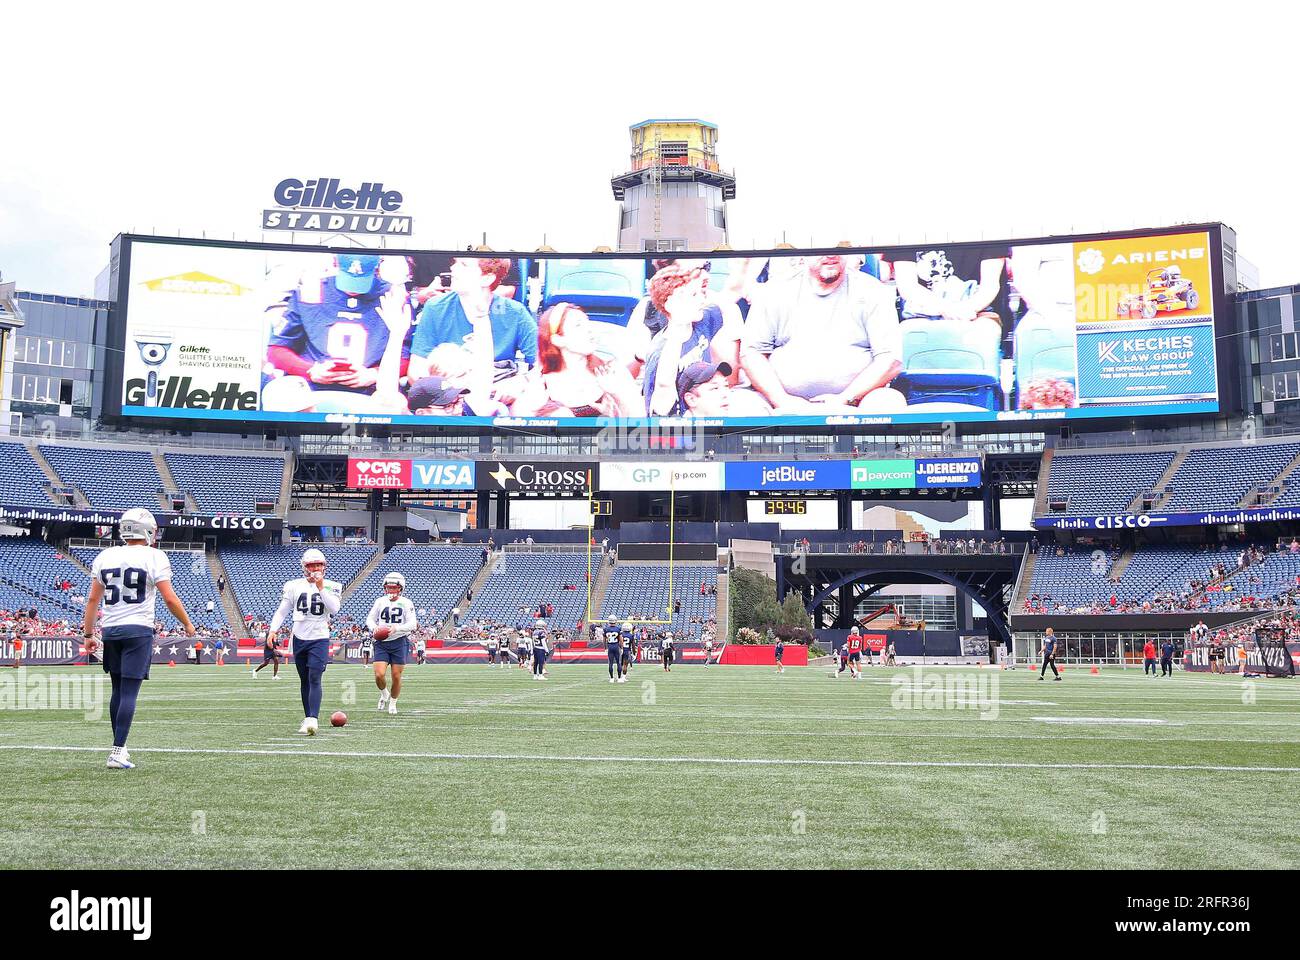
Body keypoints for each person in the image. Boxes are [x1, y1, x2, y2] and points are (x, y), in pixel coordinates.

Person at [82, 508, 196, 770]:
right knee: (130, 691)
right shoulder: (155, 556)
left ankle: (119, 746)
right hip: (138, 629)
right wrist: (187, 623)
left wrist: (88, 633)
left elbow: (92, 600)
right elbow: (169, 597)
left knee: (117, 690)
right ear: (147, 530)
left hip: (110, 629)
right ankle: (118, 750)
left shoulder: (105, 555)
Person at [740, 254, 905, 412]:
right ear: (804, 254)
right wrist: (782, 400)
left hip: (859, 400)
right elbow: (752, 354)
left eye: (838, 249)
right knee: (743, 405)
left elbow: (890, 360)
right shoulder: (774, 291)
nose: (831, 256)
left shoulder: (873, 291)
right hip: (779, 402)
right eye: (822, 249)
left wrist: (845, 398)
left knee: (889, 402)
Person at [264, 253, 414, 401]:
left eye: (361, 281)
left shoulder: (394, 296)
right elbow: (276, 350)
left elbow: (407, 356)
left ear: (378, 267)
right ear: (335, 263)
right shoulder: (310, 290)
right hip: (310, 391)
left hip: (369, 392)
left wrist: (374, 374)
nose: (353, 290)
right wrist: (310, 370)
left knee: (394, 401)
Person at [409, 257, 538, 396]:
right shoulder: (435, 307)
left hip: (496, 392)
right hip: (446, 395)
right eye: (455, 263)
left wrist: (519, 383)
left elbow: (543, 365)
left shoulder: (515, 312)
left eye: (463, 265)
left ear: (487, 278)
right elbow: (416, 372)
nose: (453, 268)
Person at [639, 262, 742, 416]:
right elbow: (662, 394)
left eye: (700, 292)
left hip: (705, 414)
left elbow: (733, 292)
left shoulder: (702, 320)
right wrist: (678, 322)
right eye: (693, 295)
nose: (701, 299)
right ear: (670, 304)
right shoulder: (659, 353)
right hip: (675, 428)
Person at [514, 303, 642, 418]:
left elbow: (640, 419)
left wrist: (617, 396)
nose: (589, 329)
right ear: (558, 340)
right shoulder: (540, 381)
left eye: (587, 323)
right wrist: (531, 410)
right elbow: (515, 425)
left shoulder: (612, 370)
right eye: (578, 325)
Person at [266, 548, 342, 735]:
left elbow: (334, 609)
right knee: (304, 679)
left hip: (320, 636)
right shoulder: (293, 585)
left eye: (319, 565)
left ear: (324, 567)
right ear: (304, 567)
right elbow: (282, 610)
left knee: (315, 676)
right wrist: (272, 630)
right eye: (311, 565)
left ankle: (313, 719)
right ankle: (308, 717)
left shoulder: (332, 585)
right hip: (299, 635)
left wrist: (321, 586)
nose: (315, 568)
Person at [366, 573, 417, 716]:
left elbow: (412, 623)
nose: (391, 591)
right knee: (379, 674)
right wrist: (374, 628)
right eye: (388, 588)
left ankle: (393, 703)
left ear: (400, 589)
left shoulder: (407, 603)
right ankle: (384, 694)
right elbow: (370, 619)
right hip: (381, 642)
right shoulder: (380, 601)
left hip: (399, 641)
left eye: (394, 588)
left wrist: (397, 628)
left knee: (396, 675)